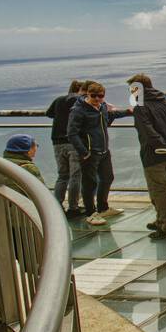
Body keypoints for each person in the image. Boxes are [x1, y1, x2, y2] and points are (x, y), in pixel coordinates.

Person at [127, 73, 166, 240]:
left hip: (154, 155)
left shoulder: (141, 107)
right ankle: (162, 219)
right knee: (165, 190)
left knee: (158, 192)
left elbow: (148, 133)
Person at [67, 81, 132, 226]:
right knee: (90, 183)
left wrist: (128, 112)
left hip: (103, 150)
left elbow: (110, 115)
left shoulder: (102, 107)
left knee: (108, 178)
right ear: (87, 94)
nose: (97, 99)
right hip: (90, 153)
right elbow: (72, 133)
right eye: (94, 96)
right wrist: (84, 152)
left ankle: (103, 208)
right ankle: (91, 213)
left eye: (100, 96)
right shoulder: (78, 110)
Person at [46, 80, 87, 216]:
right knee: (76, 176)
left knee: (62, 176)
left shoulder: (59, 100)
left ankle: (57, 206)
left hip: (57, 141)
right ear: (81, 89)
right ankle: (73, 207)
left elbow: (49, 113)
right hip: (74, 141)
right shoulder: (81, 101)